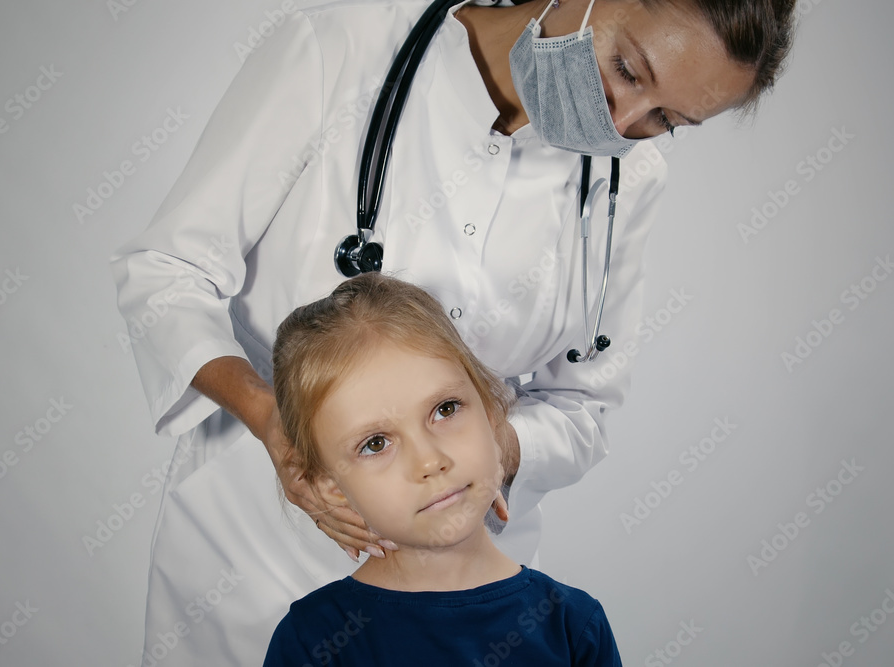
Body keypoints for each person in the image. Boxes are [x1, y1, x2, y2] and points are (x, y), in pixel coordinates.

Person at [110, 0, 797, 664]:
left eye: (667, 119)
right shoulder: (338, 52)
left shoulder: (627, 177)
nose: (620, 121)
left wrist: (495, 443)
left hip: (468, 605)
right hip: (251, 556)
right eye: (627, 69)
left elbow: (584, 406)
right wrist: (271, 420)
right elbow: (166, 273)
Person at [262, 272, 622, 666]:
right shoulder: (312, 641)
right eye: (376, 443)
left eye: (445, 409)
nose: (430, 461)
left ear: (491, 413)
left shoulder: (573, 628)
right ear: (328, 485)